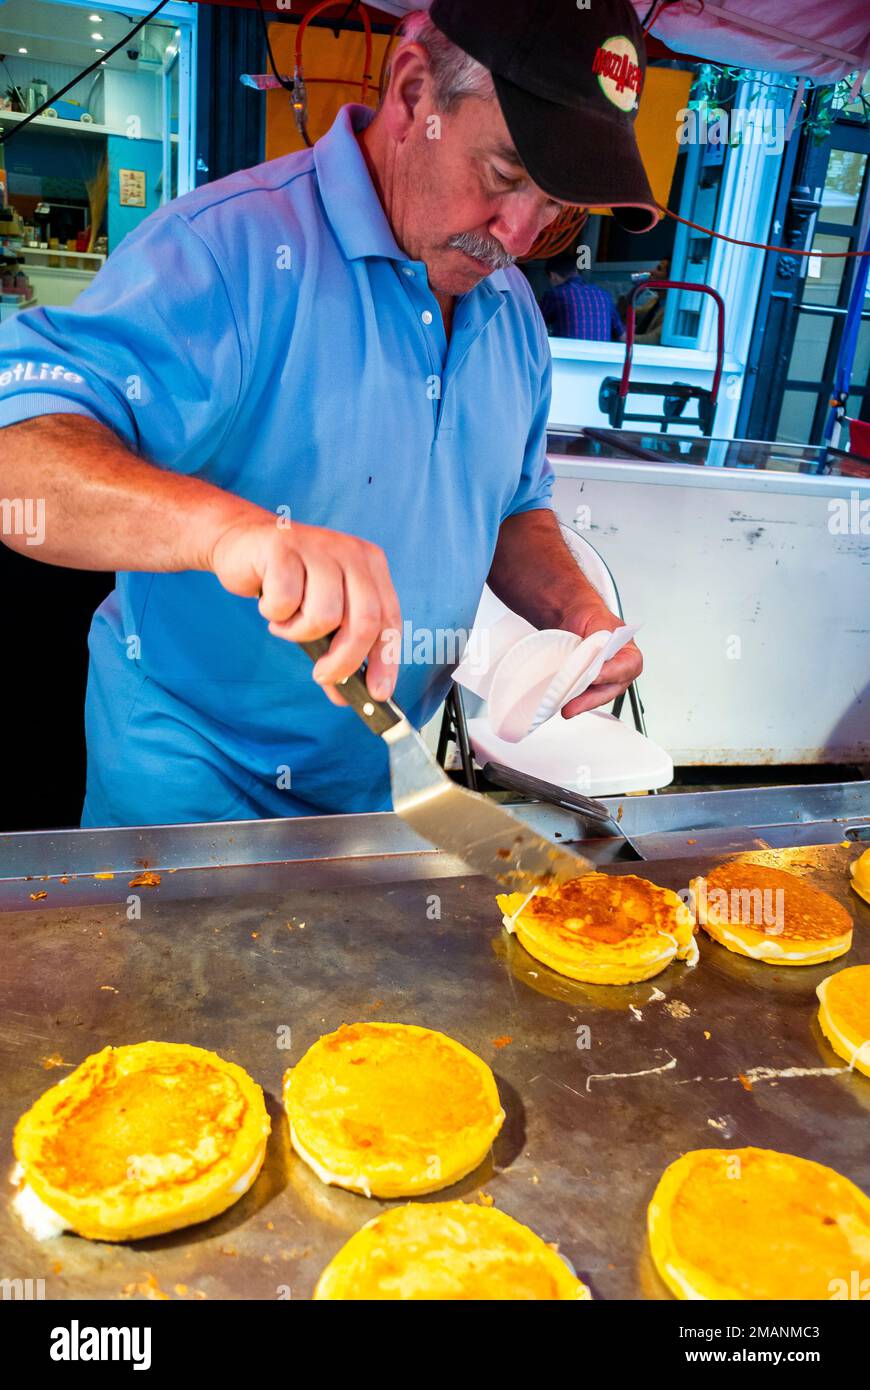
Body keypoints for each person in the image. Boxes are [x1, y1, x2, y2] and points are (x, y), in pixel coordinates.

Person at [0, 0, 656, 827]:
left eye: (560, 207)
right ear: (414, 93)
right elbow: (17, 453)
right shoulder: (226, 251)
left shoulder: (512, 311)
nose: (520, 236)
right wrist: (233, 533)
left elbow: (513, 508)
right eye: (505, 175)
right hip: (190, 796)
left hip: (384, 791)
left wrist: (576, 614)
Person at [540, 249, 625, 342]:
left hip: (567, 354)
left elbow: (534, 326)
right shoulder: (604, 295)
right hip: (601, 355)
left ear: (553, 276)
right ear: (576, 270)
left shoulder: (555, 294)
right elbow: (622, 336)